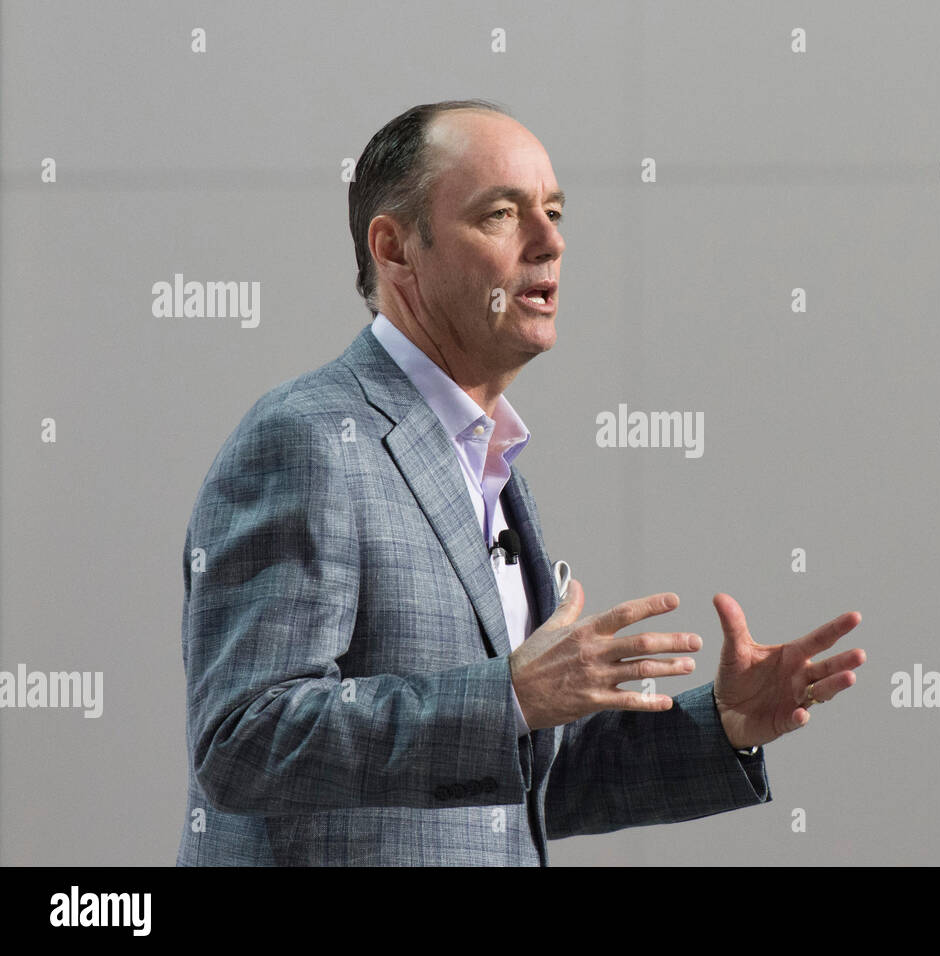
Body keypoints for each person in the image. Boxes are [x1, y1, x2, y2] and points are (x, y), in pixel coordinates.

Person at [176, 100, 865, 866]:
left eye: (555, 211)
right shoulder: (311, 439)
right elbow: (243, 740)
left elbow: (518, 786)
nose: (551, 242)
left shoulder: (492, 466)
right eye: (502, 214)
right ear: (396, 248)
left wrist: (723, 723)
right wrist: (508, 695)